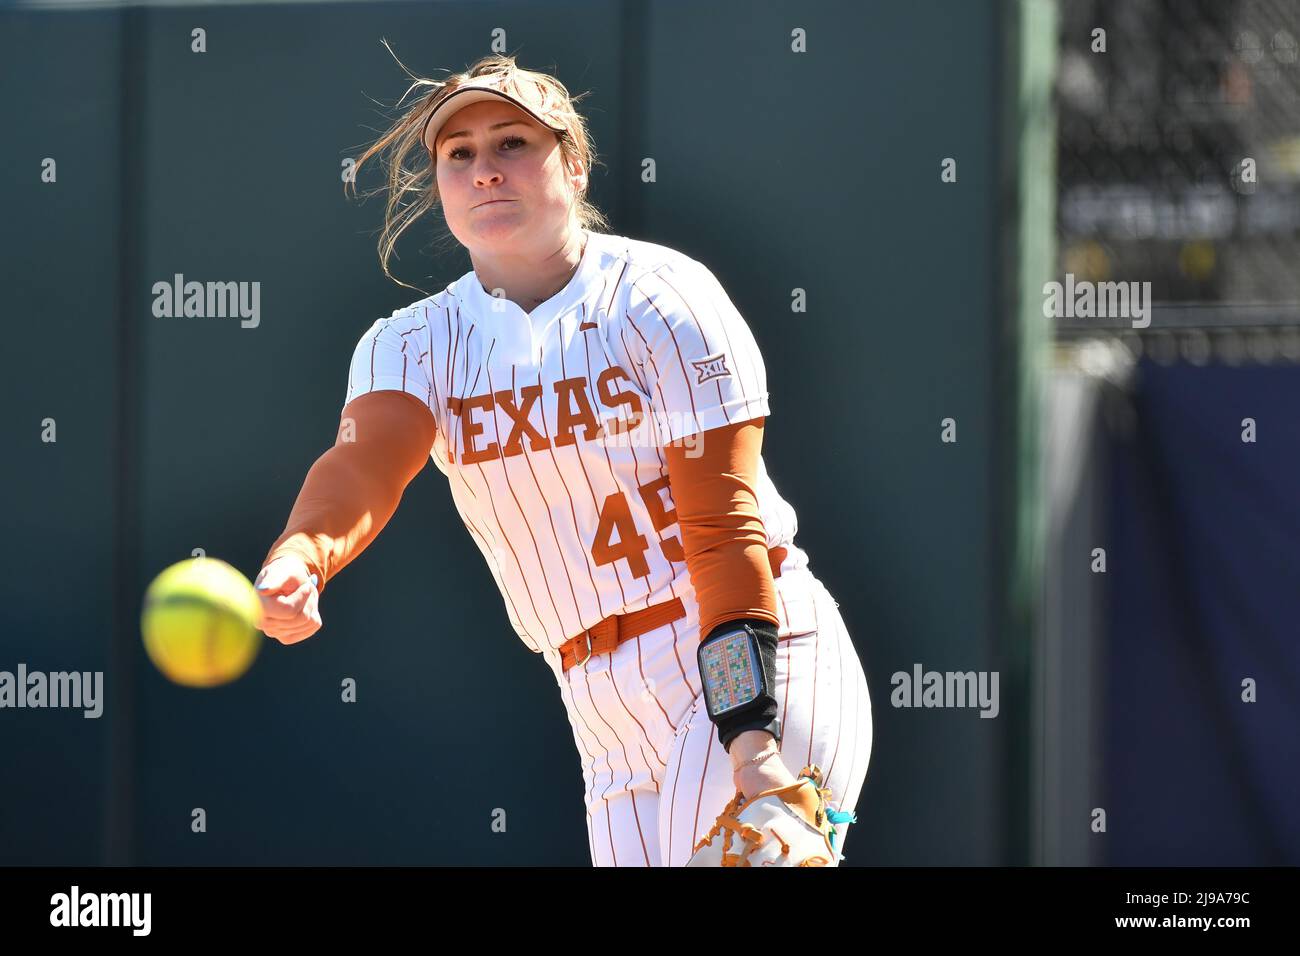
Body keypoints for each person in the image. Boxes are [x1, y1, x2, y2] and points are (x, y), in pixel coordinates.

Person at [254, 53, 872, 867]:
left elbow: (722, 532)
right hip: (598, 703)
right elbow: (363, 467)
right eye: (459, 154)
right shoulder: (413, 343)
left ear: (573, 166)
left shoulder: (660, 299)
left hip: (749, 651)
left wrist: (753, 739)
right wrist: (303, 554)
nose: (485, 170)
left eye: (513, 142)